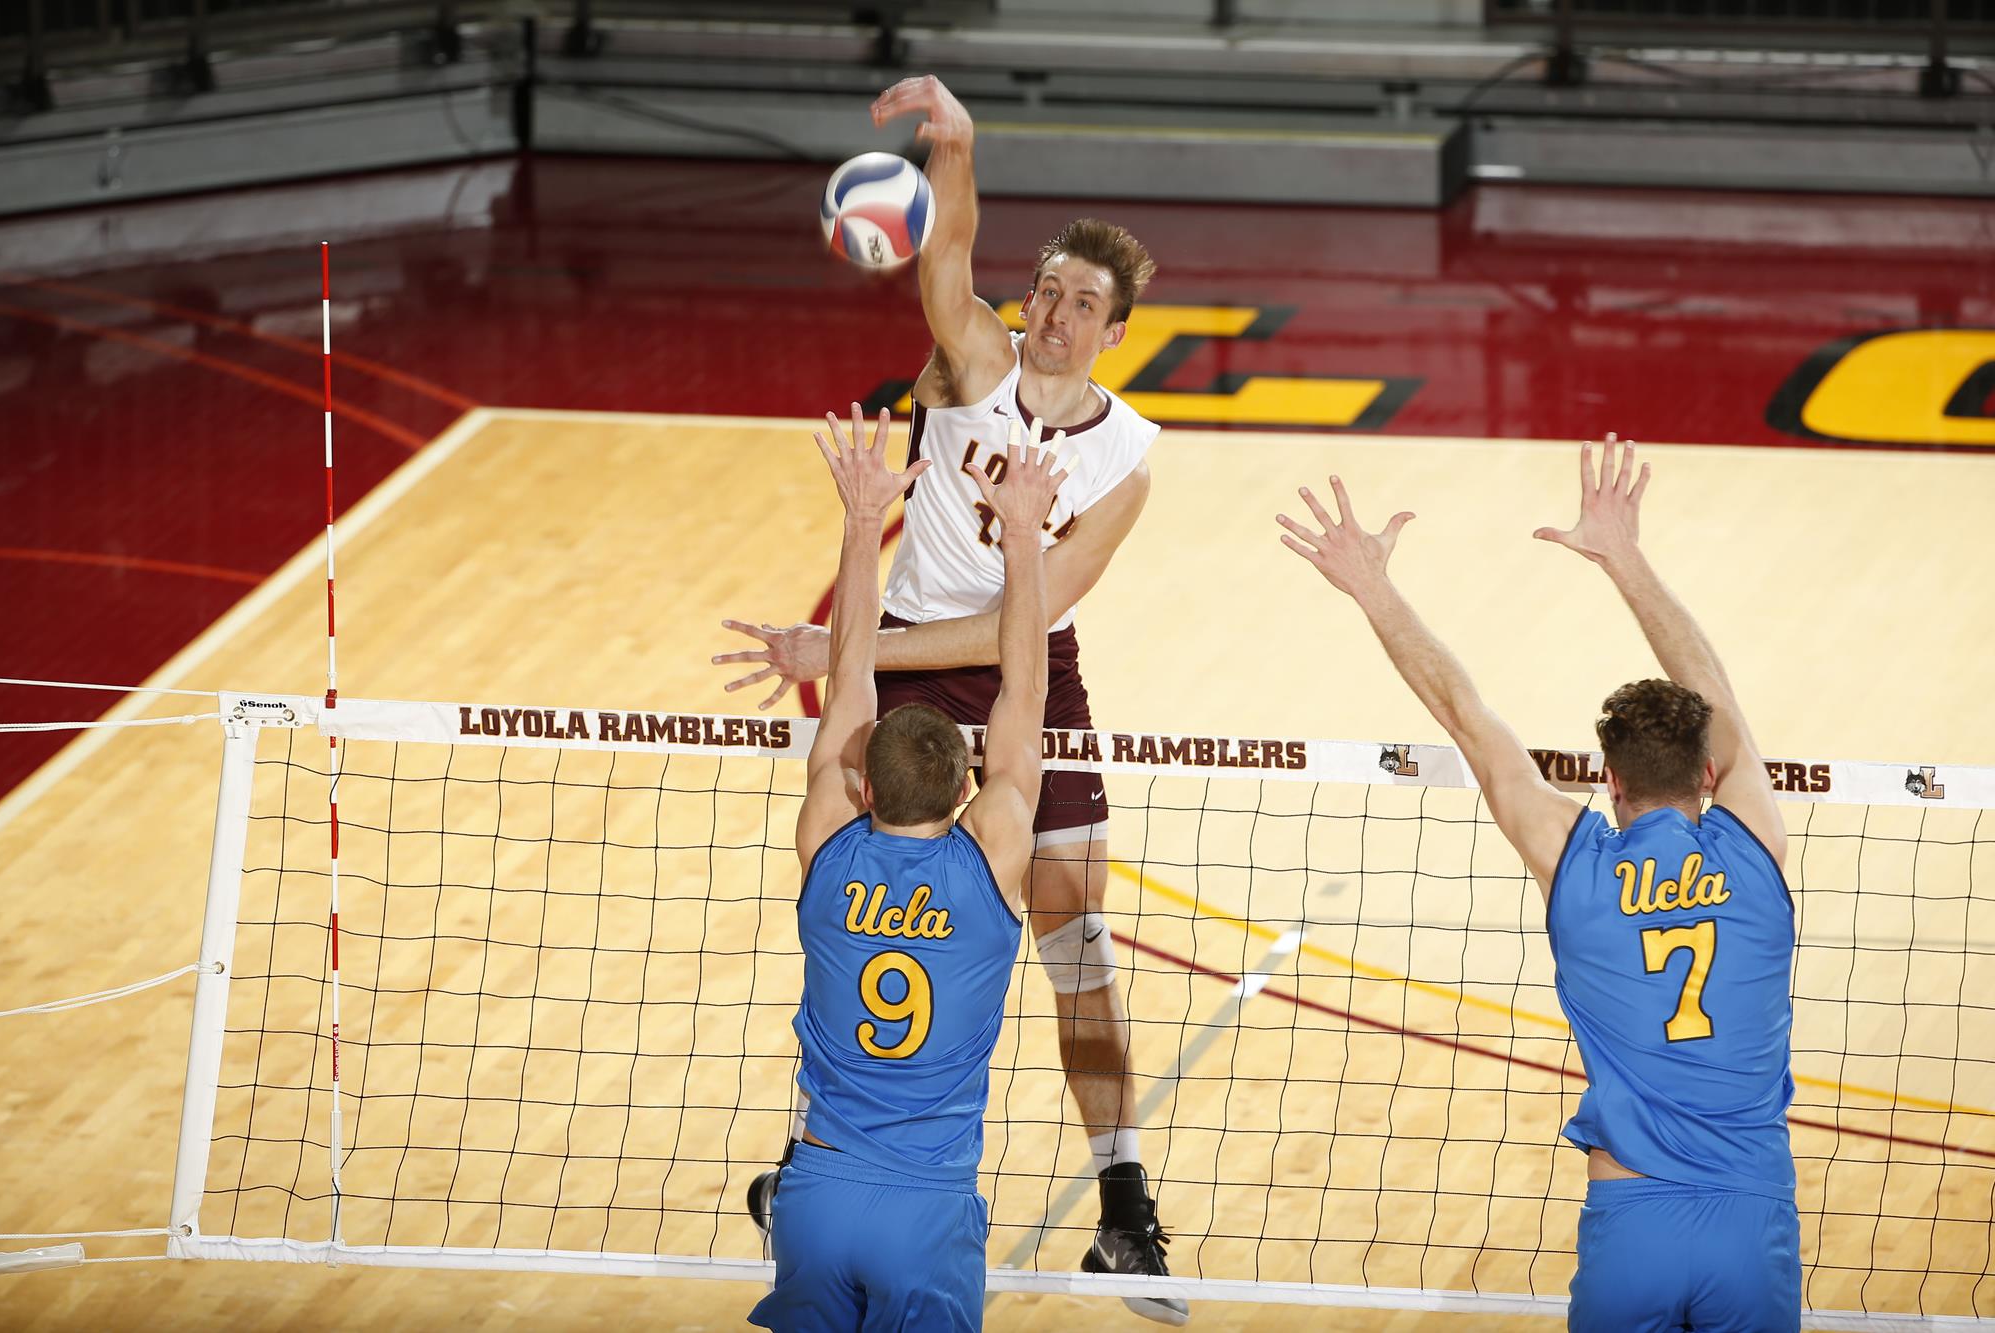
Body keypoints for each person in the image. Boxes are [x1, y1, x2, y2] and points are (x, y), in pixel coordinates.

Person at [721, 75, 1183, 1322]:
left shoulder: (1125, 462)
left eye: (1085, 303)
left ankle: (1125, 1206)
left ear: (1115, 330)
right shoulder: (970, 354)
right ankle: (816, 1154)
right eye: (1047, 289)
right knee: (858, 911)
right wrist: (958, 145)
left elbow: (1021, 623)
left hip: (1014, 664)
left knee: (1073, 947)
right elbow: (950, 251)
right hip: (914, 651)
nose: (1055, 311)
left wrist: (843, 660)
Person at [1277, 437, 1799, 1333]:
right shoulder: (1755, 848)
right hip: (1751, 1218)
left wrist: (1372, 586)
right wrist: (1625, 558)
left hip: (1632, 1222)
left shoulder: (1578, 864)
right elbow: (1713, 689)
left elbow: (1467, 718)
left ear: (1610, 781)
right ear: (1710, 775)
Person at [749, 406, 1063, 1332]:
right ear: (966, 786)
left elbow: (847, 673)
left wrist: (860, 519)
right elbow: (1028, 687)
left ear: (860, 779)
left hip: (819, 1191)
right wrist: (1021, 535)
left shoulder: (829, 847)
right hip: (927, 1206)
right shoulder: (989, 856)